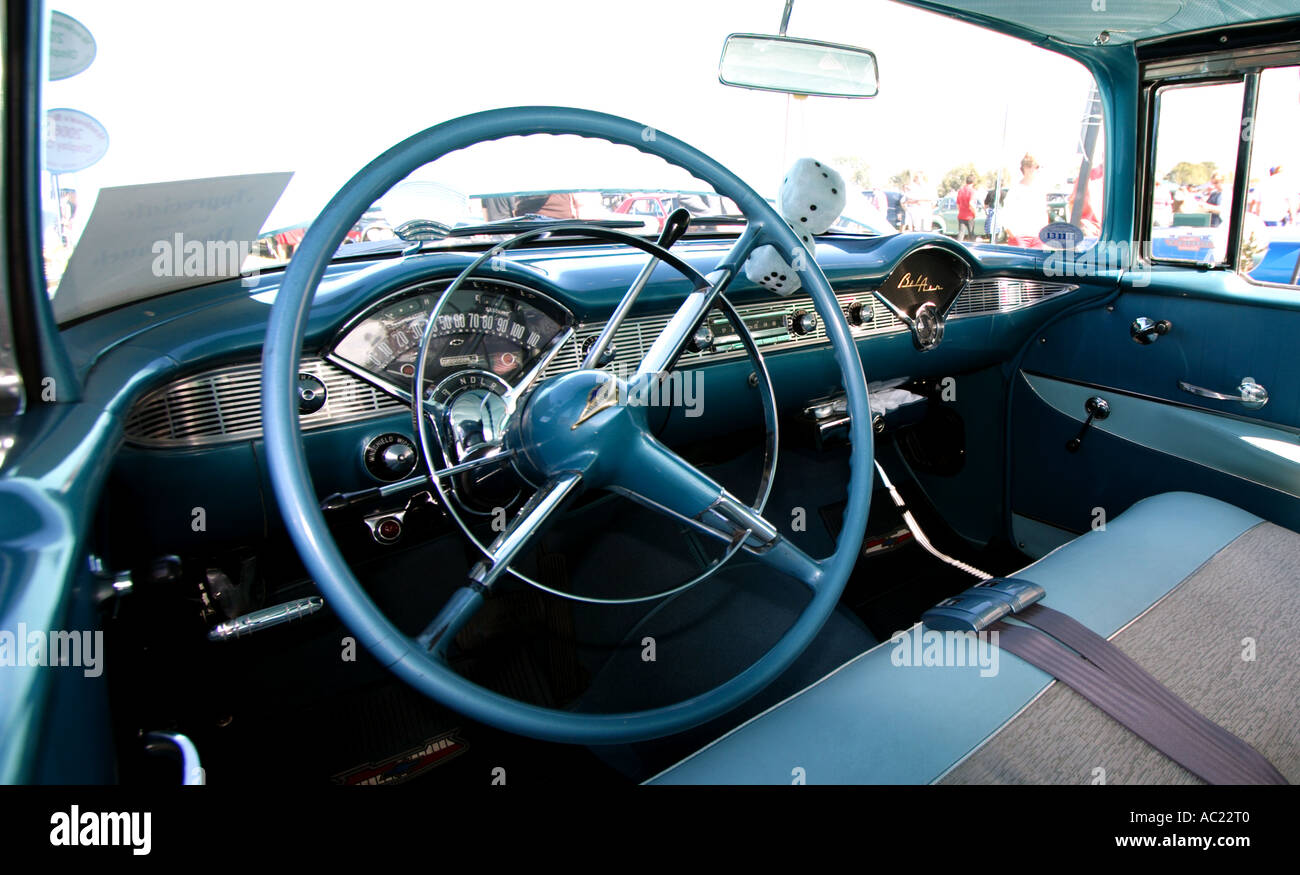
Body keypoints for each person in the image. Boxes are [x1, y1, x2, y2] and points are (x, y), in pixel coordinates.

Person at [1000, 153, 1048, 247]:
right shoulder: (1015, 189)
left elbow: (1043, 213)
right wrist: (1012, 234)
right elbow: (1006, 213)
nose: (1033, 169)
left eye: (1036, 167)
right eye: (1029, 166)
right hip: (1019, 238)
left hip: (1037, 237)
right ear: (1024, 168)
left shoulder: (1040, 190)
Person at [955, 174, 979, 241]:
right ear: (973, 182)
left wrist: (961, 210)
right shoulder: (972, 191)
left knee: (960, 234)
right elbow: (971, 203)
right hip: (969, 216)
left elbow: (957, 204)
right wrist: (975, 213)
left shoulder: (961, 190)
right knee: (971, 234)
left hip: (961, 215)